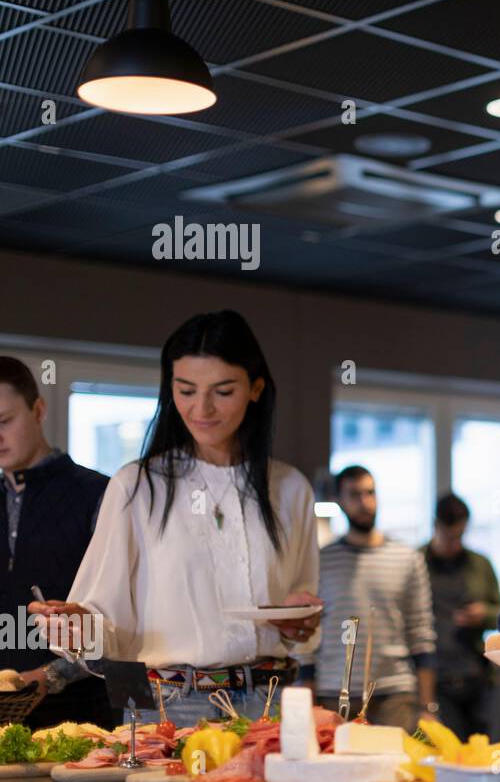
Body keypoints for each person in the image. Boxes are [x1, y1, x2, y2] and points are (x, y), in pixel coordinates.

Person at [29, 310, 323, 726]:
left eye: (222, 391)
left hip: (271, 702)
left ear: (255, 388)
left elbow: (301, 615)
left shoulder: (291, 489)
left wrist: (301, 621)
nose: (201, 408)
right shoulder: (137, 486)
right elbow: (107, 624)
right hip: (171, 703)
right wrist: (78, 624)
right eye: (185, 390)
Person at [0, 357, 115, 729]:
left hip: (80, 716)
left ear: (38, 409)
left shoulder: (99, 494)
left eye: (4, 422)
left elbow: (118, 616)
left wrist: (50, 675)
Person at [305, 466, 435, 732]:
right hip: (334, 691)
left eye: (370, 492)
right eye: (354, 494)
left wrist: (427, 706)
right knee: (336, 771)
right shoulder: (320, 560)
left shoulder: (407, 558)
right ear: (340, 500)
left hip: (395, 692)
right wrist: (306, 702)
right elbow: (308, 637)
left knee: (397, 770)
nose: (365, 502)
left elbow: (422, 634)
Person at [423, 494, 500, 740]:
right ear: (436, 526)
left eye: (460, 536)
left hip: (476, 677)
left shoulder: (479, 564)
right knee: (446, 754)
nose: (455, 543)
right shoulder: (417, 564)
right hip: (435, 680)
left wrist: (484, 614)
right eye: (450, 536)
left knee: (481, 751)